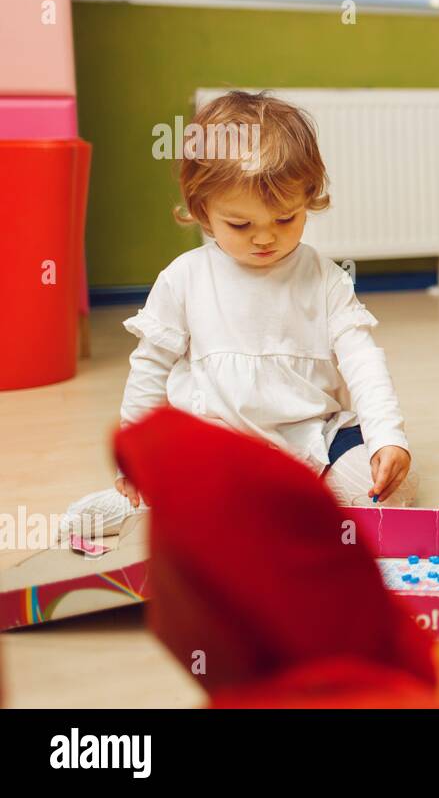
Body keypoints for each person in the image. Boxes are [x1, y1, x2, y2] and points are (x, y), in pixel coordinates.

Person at [60, 91, 420, 539]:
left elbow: (363, 361)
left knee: (391, 490)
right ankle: (147, 504)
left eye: (286, 219)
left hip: (311, 437)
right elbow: (149, 370)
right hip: (219, 444)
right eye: (241, 225)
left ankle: (272, 503)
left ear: (308, 199)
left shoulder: (325, 280)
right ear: (202, 211)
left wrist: (388, 436)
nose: (265, 239)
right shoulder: (184, 278)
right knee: (183, 474)